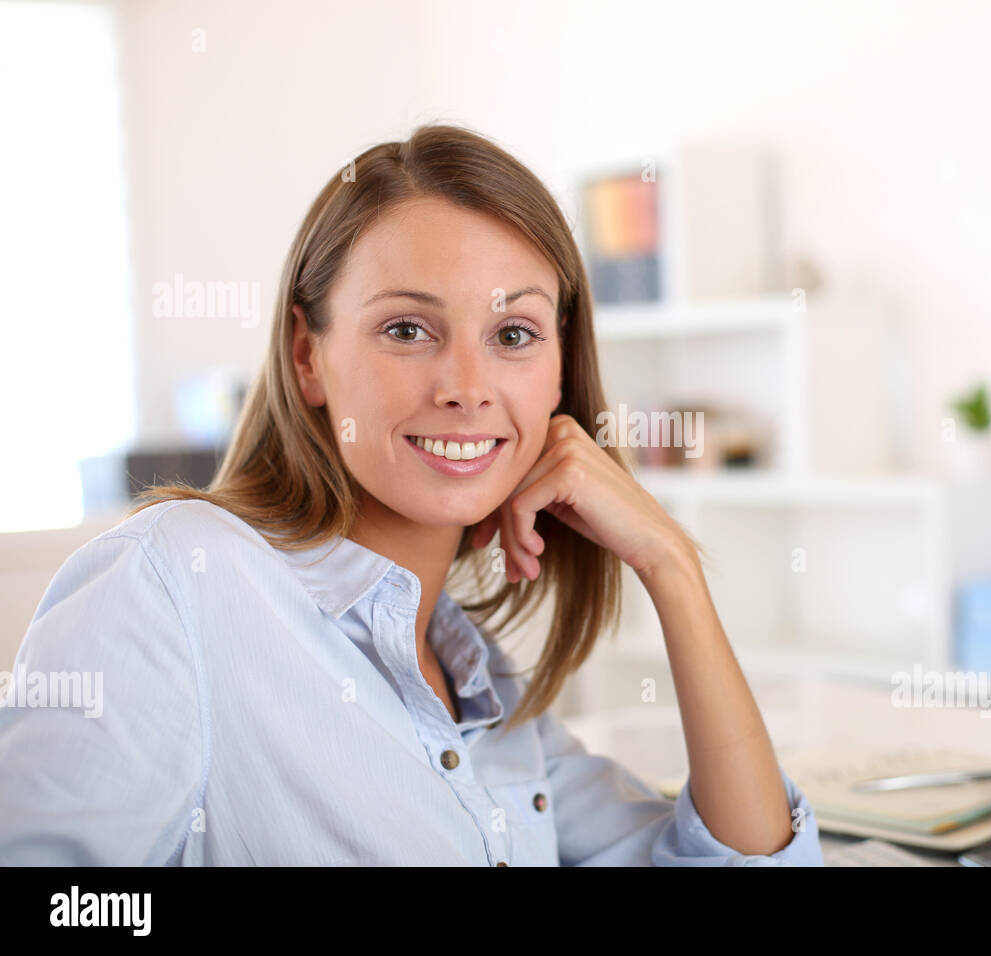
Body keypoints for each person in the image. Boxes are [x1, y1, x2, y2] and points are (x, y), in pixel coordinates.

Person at [0, 123, 822, 866]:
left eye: (513, 335)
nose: (468, 387)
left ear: (560, 371)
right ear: (306, 357)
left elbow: (748, 860)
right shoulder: (174, 581)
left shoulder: (490, 701)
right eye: (407, 330)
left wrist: (671, 563)